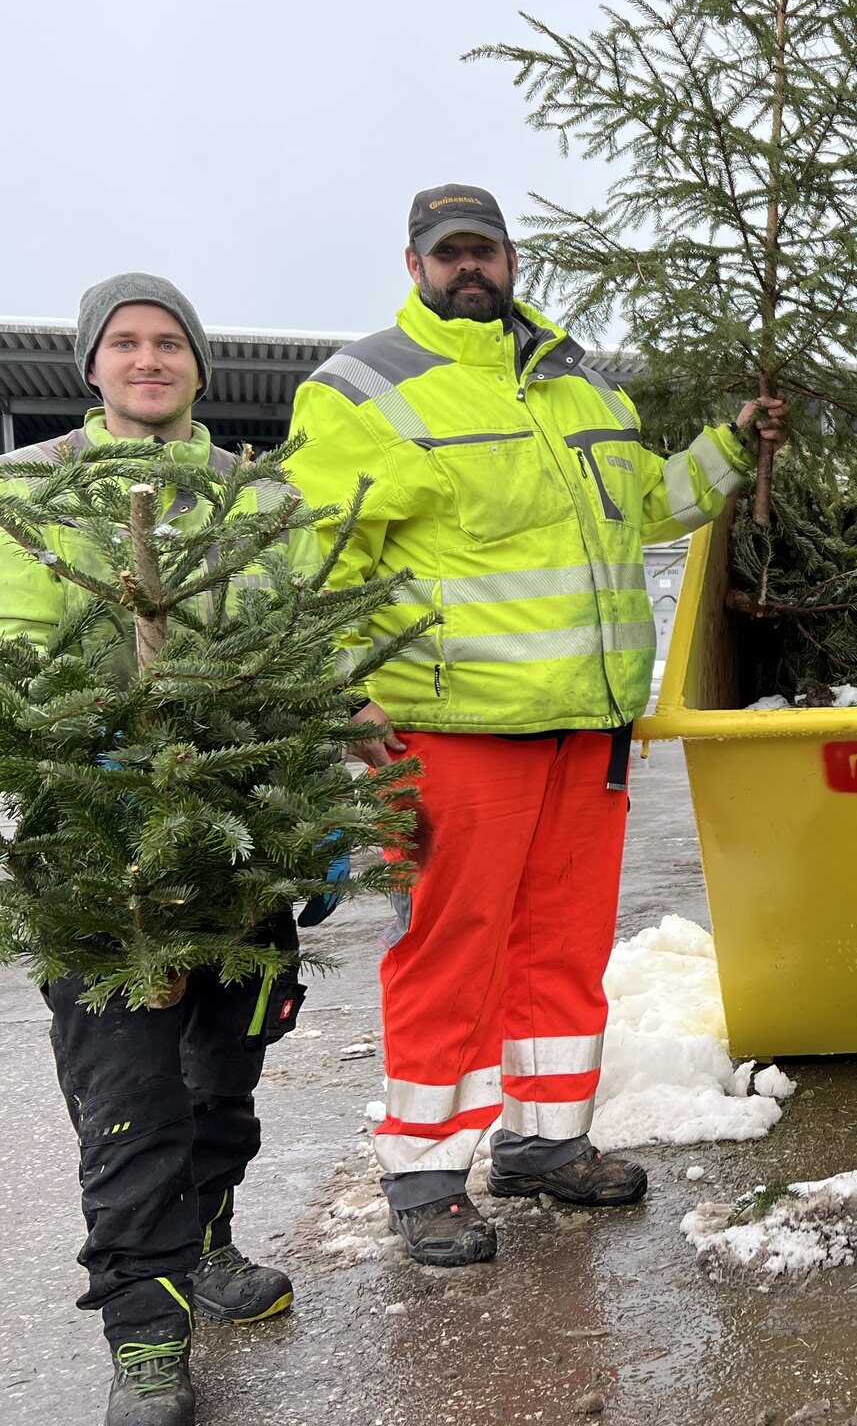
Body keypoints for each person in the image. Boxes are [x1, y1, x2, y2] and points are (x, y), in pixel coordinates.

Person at [284, 185, 784, 1268]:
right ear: (414, 264)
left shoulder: (575, 382)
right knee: (450, 949)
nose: (470, 267)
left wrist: (732, 449)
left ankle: (545, 1144)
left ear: (511, 259)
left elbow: (644, 505)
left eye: (486, 250)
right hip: (453, 732)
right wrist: (343, 691)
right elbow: (311, 555)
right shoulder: (362, 389)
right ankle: (424, 1172)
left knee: (560, 946)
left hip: (584, 729)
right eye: (448, 252)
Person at [6, 276, 309, 1426]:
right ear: (91, 366)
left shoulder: (252, 491)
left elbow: (297, 643)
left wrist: (312, 808)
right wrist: (113, 730)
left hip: (245, 836)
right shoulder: (27, 487)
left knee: (224, 1078)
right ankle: (145, 1334)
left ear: (198, 364)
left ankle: (211, 1245)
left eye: (168, 341)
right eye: (125, 343)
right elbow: (16, 648)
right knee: (127, 1099)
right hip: (96, 843)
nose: (149, 359)